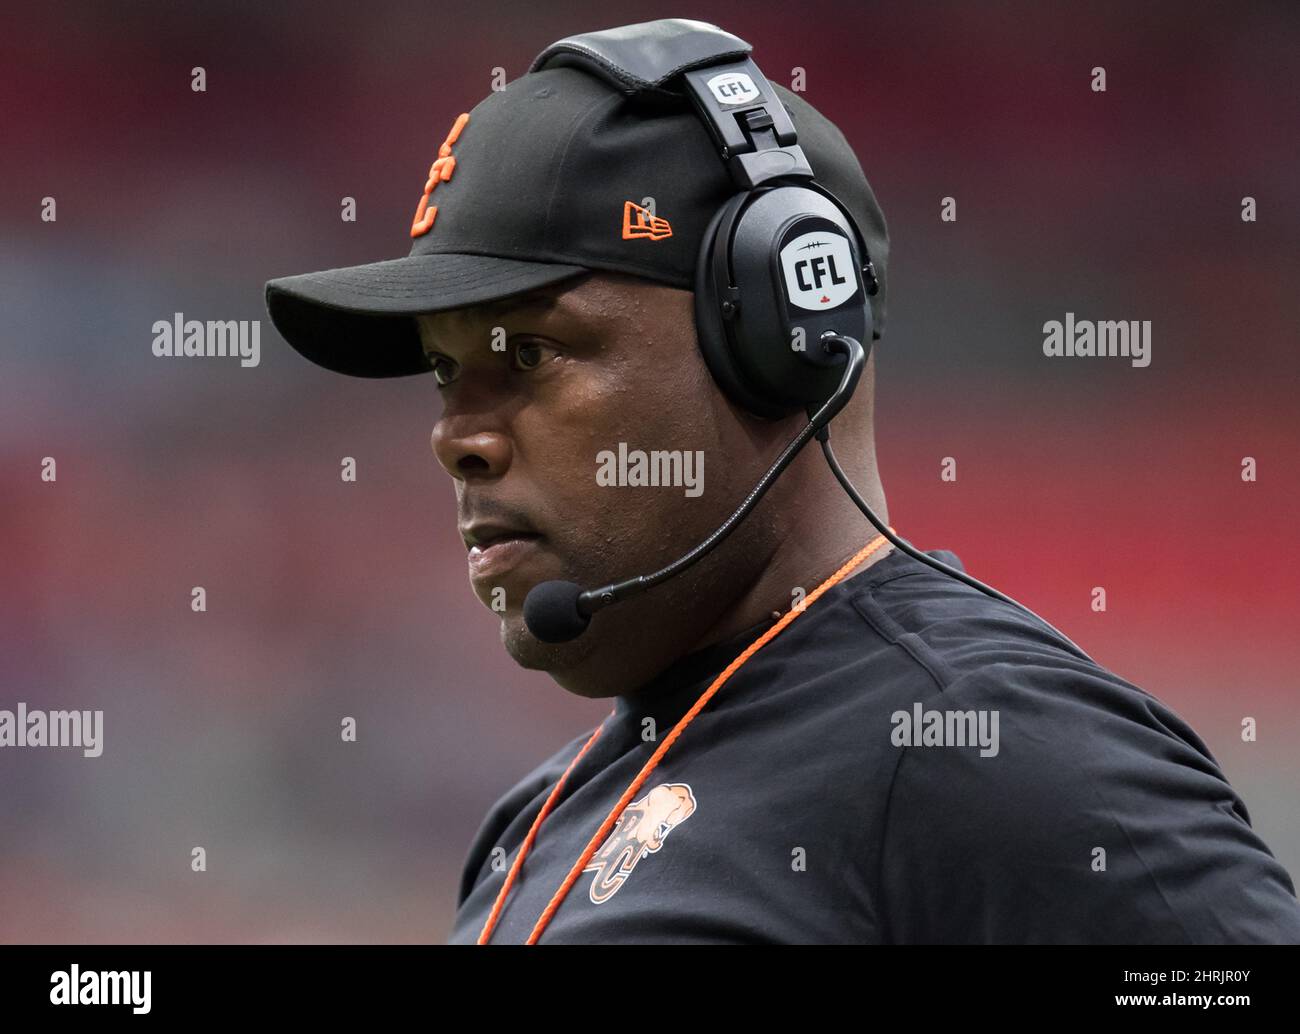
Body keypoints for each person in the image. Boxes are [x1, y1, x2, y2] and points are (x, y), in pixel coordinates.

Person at [264, 18, 1300, 944]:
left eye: (530, 354)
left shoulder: (983, 747)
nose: (456, 437)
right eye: (447, 371)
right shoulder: (539, 813)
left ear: (777, 336)